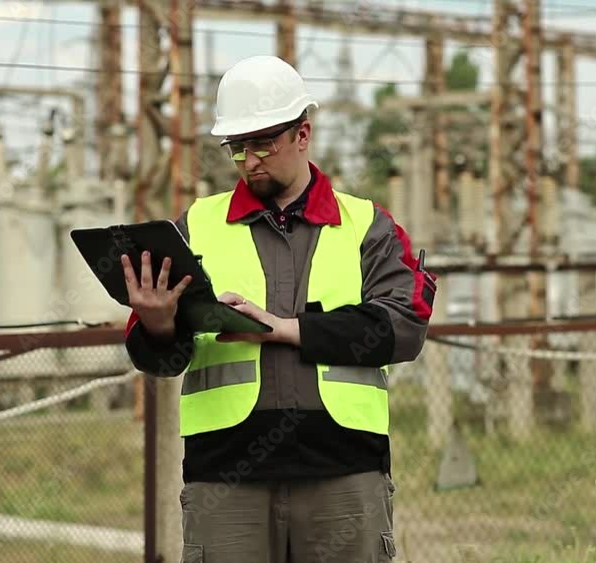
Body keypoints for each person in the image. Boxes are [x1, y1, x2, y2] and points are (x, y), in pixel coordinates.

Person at [122, 55, 436, 563]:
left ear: (303, 134)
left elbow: (405, 326)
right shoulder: (196, 227)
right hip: (225, 481)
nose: (250, 161)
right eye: (237, 147)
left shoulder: (367, 226)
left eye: (263, 142)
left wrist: (285, 329)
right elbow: (158, 359)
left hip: (344, 473)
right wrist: (157, 325)